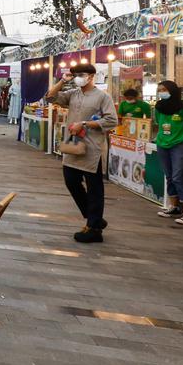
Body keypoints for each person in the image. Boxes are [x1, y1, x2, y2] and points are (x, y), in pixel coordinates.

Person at [44, 63, 118, 243]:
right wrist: (63, 80)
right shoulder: (73, 94)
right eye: (75, 74)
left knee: (94, 188)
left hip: (91, 147)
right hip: (72, 145)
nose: (78, 77)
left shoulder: (102, 97)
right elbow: (51, 98)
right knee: (71, 181)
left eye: (81, 74)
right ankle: (95, 218)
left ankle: (93, 228)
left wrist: (84, 124)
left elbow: (111, 120)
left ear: (92, 76)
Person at [153, 80, 183, 225]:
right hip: (162, 143)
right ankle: (174, 207)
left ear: (172, 90)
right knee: (169, 176)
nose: (161, 92)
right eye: (159, 89)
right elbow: (158, 123)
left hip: (179, 145)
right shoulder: (158, 107)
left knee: (178, 176)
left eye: (164, 89)